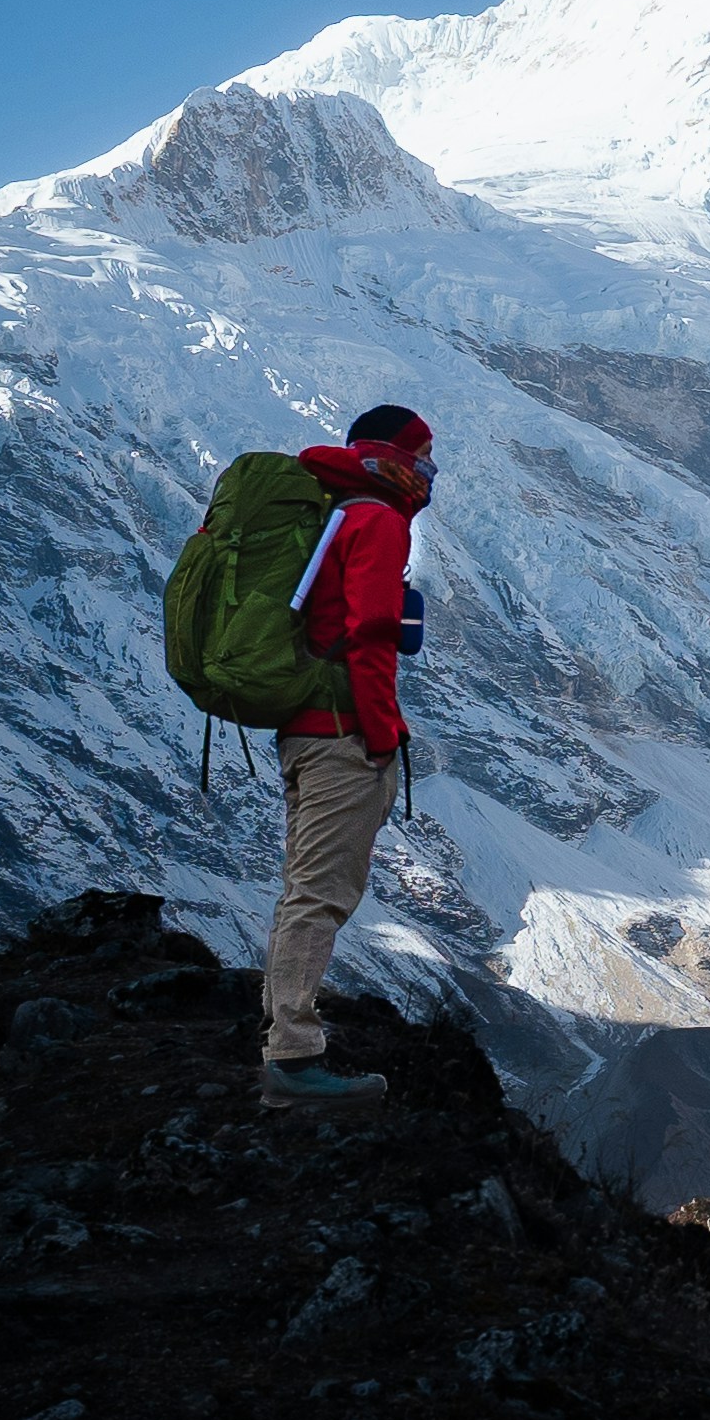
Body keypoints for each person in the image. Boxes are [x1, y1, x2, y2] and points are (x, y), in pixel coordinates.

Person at [259, 404, 436, 1109]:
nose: (428, 471)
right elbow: (368, 631)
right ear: (397, 455)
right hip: (341, 734)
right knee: (321, 894)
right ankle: (294, 1061)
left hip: (304, 726)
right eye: (423, 455)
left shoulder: (334, 507)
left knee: (301, 888)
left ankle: (283, 1036)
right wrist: (382, 732)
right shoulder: (378, 519)